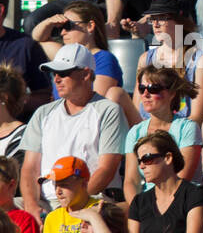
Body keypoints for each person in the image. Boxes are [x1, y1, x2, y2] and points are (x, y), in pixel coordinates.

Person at [18, 44, 126, 217]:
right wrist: (31, 207)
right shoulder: (43, 113)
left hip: (91, 199)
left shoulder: (108, 110)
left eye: (63, 73)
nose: (56, 79)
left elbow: (106, 169)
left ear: (86, 74)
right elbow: (29, 169)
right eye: (54, 74)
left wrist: (72, 205)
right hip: (47, 202)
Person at [126, 132, 203, 233]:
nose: (142, 166)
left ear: (168, 158)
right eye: (139, 161)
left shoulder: (193, 195)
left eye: (147, 159)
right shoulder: (139, 202)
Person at [133, 0, 203, 124]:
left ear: (180, 21)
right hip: (147, 131)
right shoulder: (145, 59)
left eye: (162, 18)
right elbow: (136, 111)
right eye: (153, 19)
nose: (155, 24)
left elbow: (197, 117)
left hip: (182, 132)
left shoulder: (200, 61)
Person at [124, 68, 202, 203]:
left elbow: (182, 177)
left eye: (154, 88)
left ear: (171, 93)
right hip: (146, 203)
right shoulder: (135, 132)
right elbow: (131, 181)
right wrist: (136, 208)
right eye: (142, 88)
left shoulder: (187, 128)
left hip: (182, 201)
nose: (146, 94)